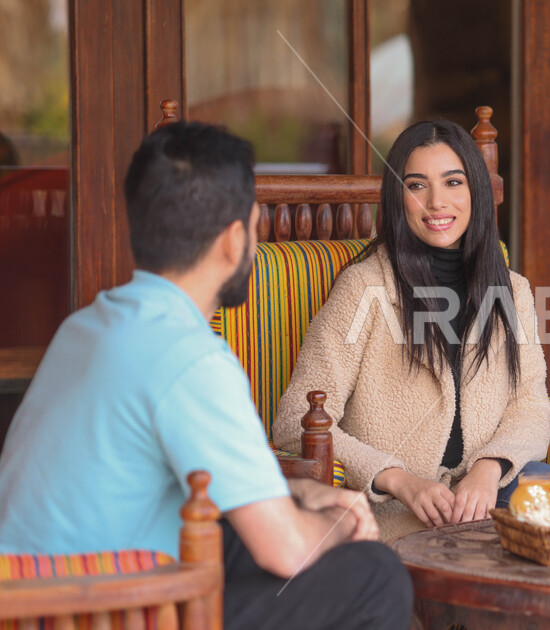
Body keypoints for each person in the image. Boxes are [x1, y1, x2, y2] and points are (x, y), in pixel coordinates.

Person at [0, 122, 412, 630]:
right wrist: (334, 522)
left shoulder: (84, 328)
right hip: (99, 611)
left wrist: (305, 496)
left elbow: (227, 495)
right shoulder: (191, 357)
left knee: (234, 534)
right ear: (235, 239)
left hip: (30, 605)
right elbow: (287, 553)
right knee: (374, 574)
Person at [274, 119, 550, 541]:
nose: (436, 202)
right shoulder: (365, 287)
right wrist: (398, 479)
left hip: (487, 497)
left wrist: (488, 467)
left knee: (548, 496)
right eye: (417, 185)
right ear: (398, 197)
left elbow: (530, 406)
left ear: (475, 190)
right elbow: (297, 418)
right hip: (400, 515)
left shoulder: (513, 291)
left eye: (453, 182)